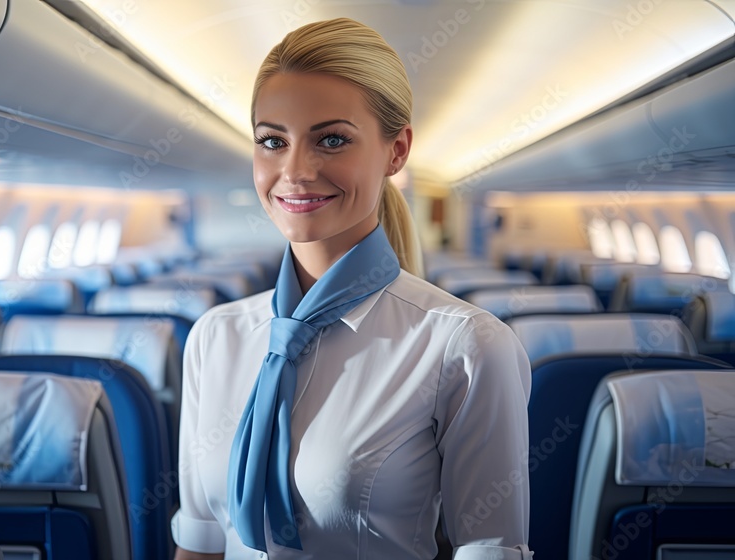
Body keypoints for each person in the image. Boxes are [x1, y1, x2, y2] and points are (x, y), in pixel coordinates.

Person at [171, 18, 532, 559]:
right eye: (273, 141)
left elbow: (489, 549)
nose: (294, 171)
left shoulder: (465, 345)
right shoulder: (214, 337)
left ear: (396, 151)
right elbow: (200, 542)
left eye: (331, 139)